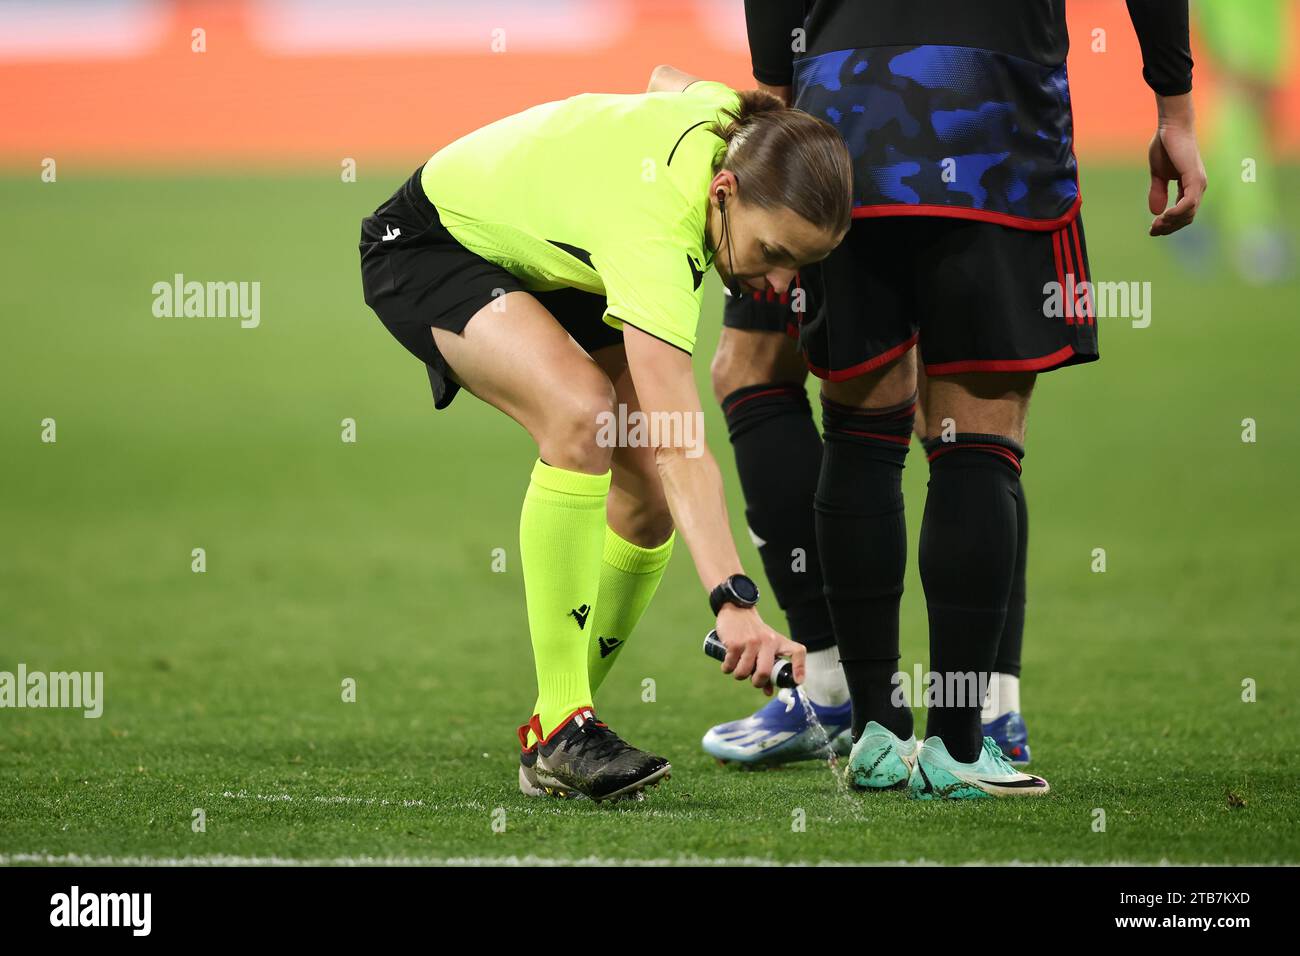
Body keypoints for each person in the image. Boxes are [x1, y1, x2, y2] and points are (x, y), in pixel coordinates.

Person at [706, 0, 1206, 799]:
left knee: (860, 430)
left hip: (847, 110)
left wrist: (777, 103)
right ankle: (963, 742)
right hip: (996, 112)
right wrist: (1173, 104)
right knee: (978, 436)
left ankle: (874, 731)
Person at [358, 66, 852, 801]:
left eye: (800, 266)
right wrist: (734, 600)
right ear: (725, 194)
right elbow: (682, 440)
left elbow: (665, 78)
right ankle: (561, 727)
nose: (778, 286)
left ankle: (558, 725)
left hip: (564, 263)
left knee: (646, 494)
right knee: (584, 414)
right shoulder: (656, 233)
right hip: (433, 246)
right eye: (773, 253)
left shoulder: (735, 129)